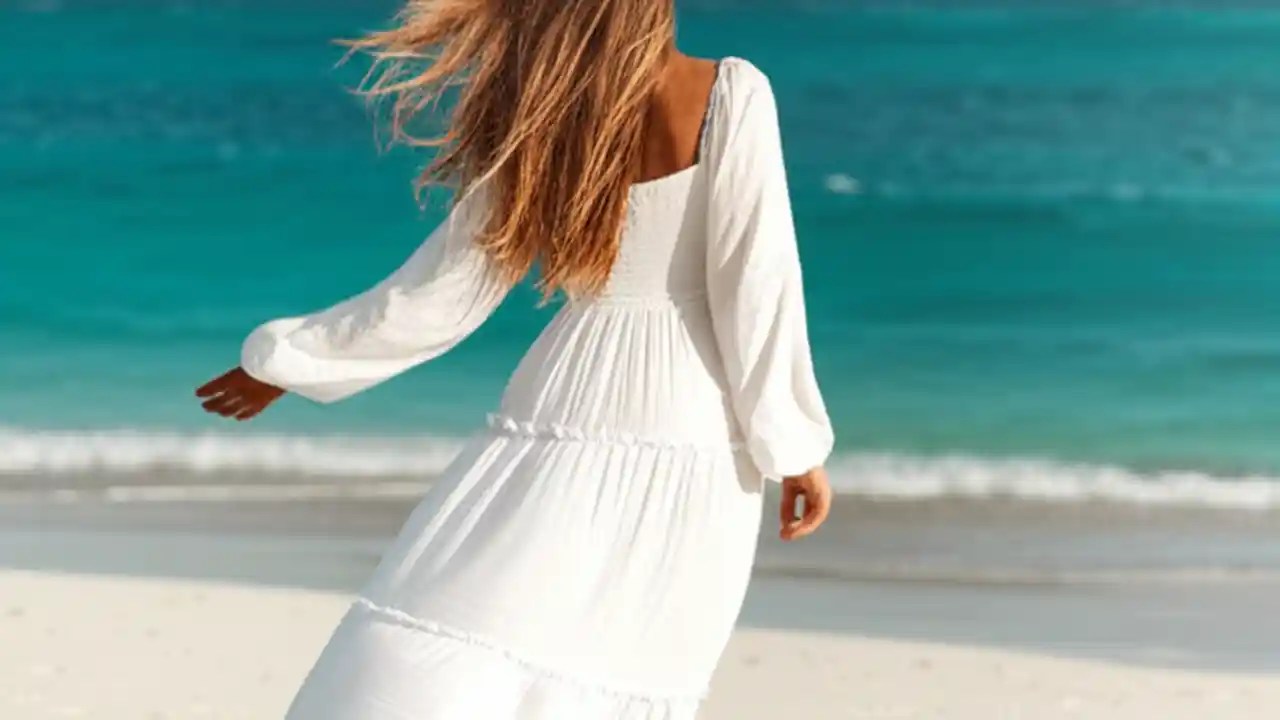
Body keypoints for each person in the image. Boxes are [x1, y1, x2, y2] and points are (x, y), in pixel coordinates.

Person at [195, 1, 834, 717]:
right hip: (696, 430)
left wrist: (286, 362)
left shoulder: (544, 114)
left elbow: (439, 292)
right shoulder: (730, 92)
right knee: (622, 670)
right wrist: (793, 444)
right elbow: (755, 283)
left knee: (471, 624)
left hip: (566, 394)